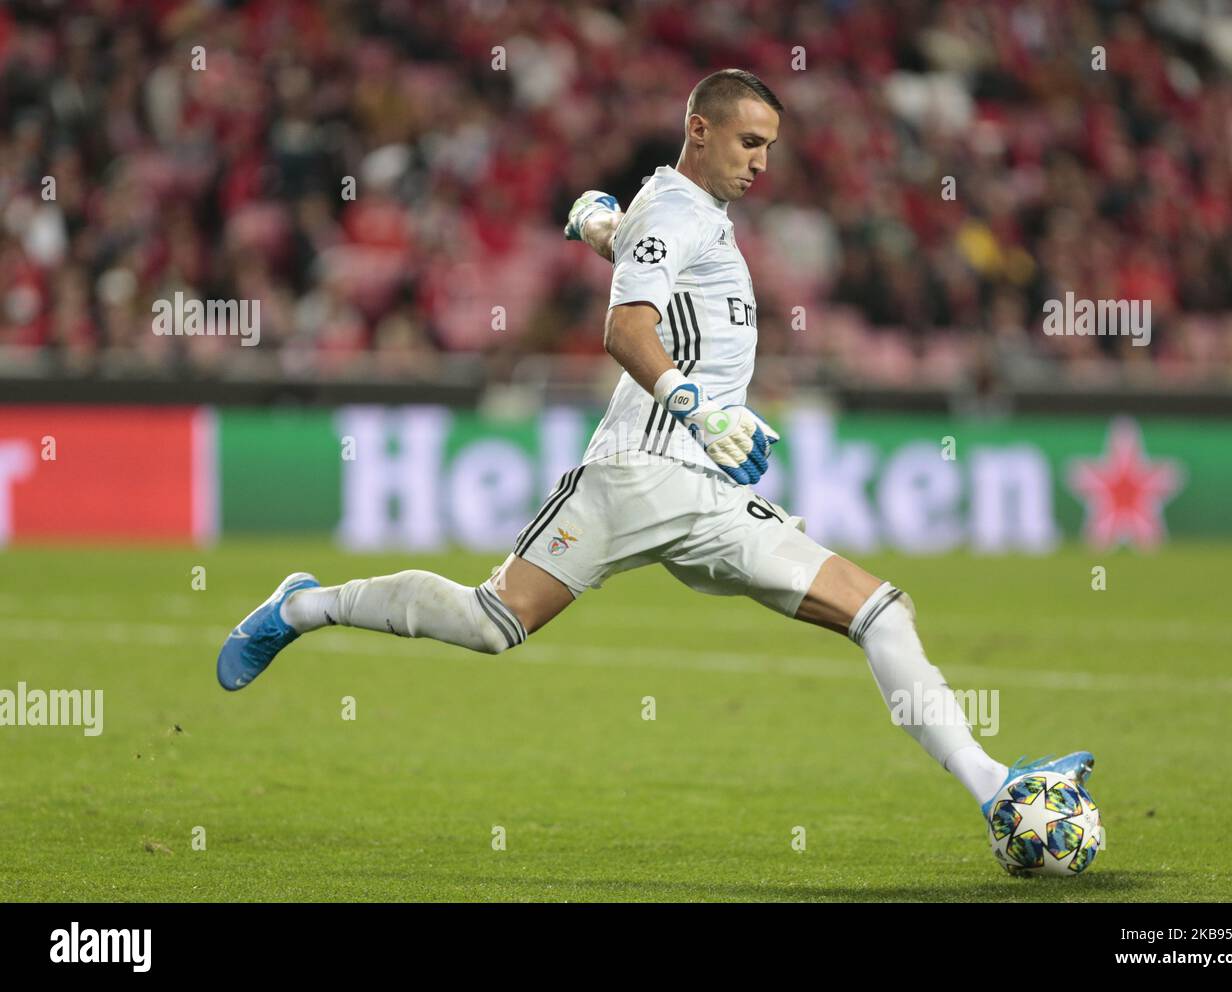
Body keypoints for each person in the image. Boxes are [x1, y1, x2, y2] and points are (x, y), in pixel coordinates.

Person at [216, 69, 1093, 843]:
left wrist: (600, 223)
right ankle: (304, 608)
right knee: (492, 623)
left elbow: (641, 252)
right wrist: (701, 410)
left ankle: (995, 792)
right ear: (700, 130)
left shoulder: (676, 208)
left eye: (771, 147)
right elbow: (624, 328)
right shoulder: (679, 208)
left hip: (700, 492)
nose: (762, 162)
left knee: (880, 612)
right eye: (749, 141)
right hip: (633, 470)